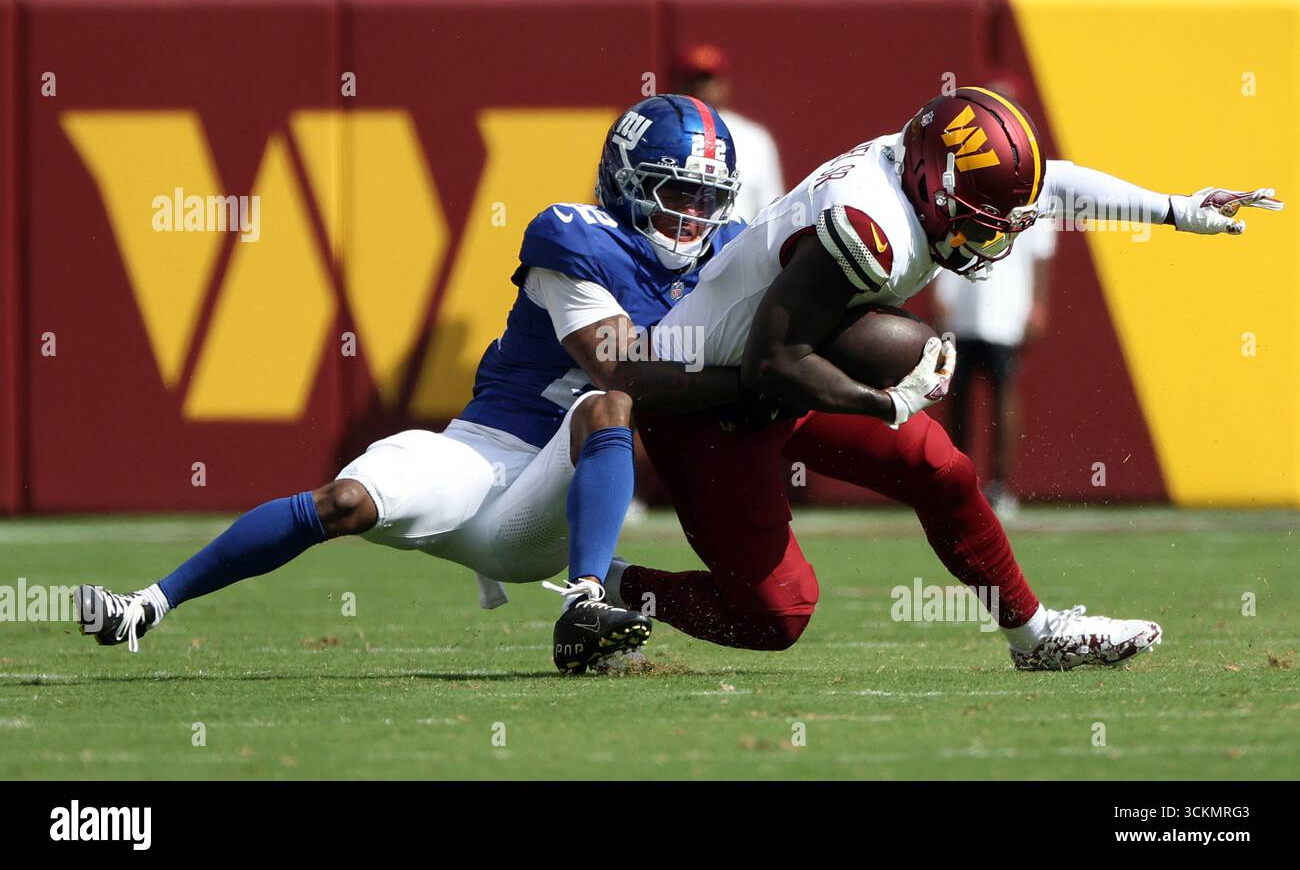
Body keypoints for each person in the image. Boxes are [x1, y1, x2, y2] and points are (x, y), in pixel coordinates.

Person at [609, 86, 1280, 670]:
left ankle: (1034, 635)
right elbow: (771, 363)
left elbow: (1058, 185)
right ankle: (609, 588)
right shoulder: (872, 226)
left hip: (780, 370)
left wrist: (1174, 209)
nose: (996, 243)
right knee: (776, 616)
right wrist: (882, 402)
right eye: (983, 226)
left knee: (943, 471)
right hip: (706, 403)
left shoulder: (934, 169)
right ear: (935, 191)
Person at [77, 95, 748, 674]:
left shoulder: (727, 254)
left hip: (543, 512)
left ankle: (584, 605)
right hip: (480, 453)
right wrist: (746, 378)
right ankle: (147, 606)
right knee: (342, 500)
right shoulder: (574, 239)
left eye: (707, 198)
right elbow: (620, 365)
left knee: (605, 410)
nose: (692, 216)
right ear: (625, 182)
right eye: (676, 192)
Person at [933, 213, 1055, 517]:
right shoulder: (962, 186)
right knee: (956, 395)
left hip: (1006, 310)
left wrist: (1037, 305)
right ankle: (958, 482)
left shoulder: (1035, 200)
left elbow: (1041, 253)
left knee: (1003, 391)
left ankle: (1001, 486)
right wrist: (939, 294)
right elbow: (943, 244)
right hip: (960, 310)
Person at [672, 43, 785, 224]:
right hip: (678, 238)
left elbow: (772, 207)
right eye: (693, 80)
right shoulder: (664, 131)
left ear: (724, 84)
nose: (701, 87)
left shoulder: (754, 138)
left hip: (739, 244)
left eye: (709, 80)